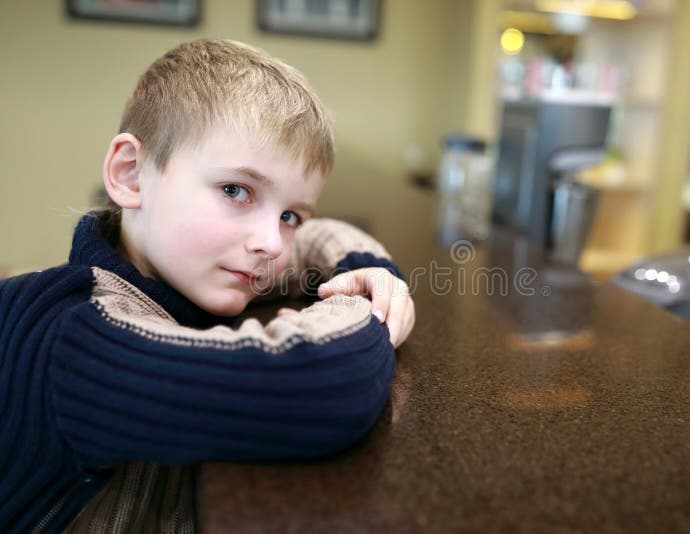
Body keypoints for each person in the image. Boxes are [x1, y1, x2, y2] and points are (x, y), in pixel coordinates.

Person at [0, 39, 414, 532]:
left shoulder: (188, 267)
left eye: (288, 215)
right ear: (131, 174)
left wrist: (371, 270)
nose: (271, 243)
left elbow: (319, 237)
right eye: (236, 191)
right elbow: (321, 385)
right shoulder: (76, 336)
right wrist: (351, 304)